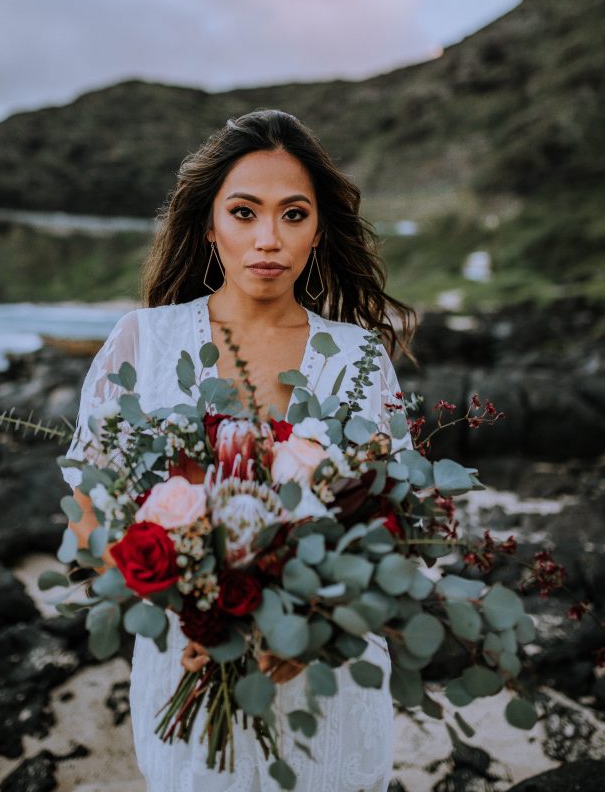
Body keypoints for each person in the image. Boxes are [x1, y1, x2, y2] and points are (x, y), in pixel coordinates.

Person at [61, 109, 416, 792]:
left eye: (292, 215)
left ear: (317, 230)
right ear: (208, 224)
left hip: (328, 679)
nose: (267, 239)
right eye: (244, 212)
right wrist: (190, 607)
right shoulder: (145, 342)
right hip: (185, 663)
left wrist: (310, 628)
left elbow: (394, 524)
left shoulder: (358, 357)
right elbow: (87, 512)